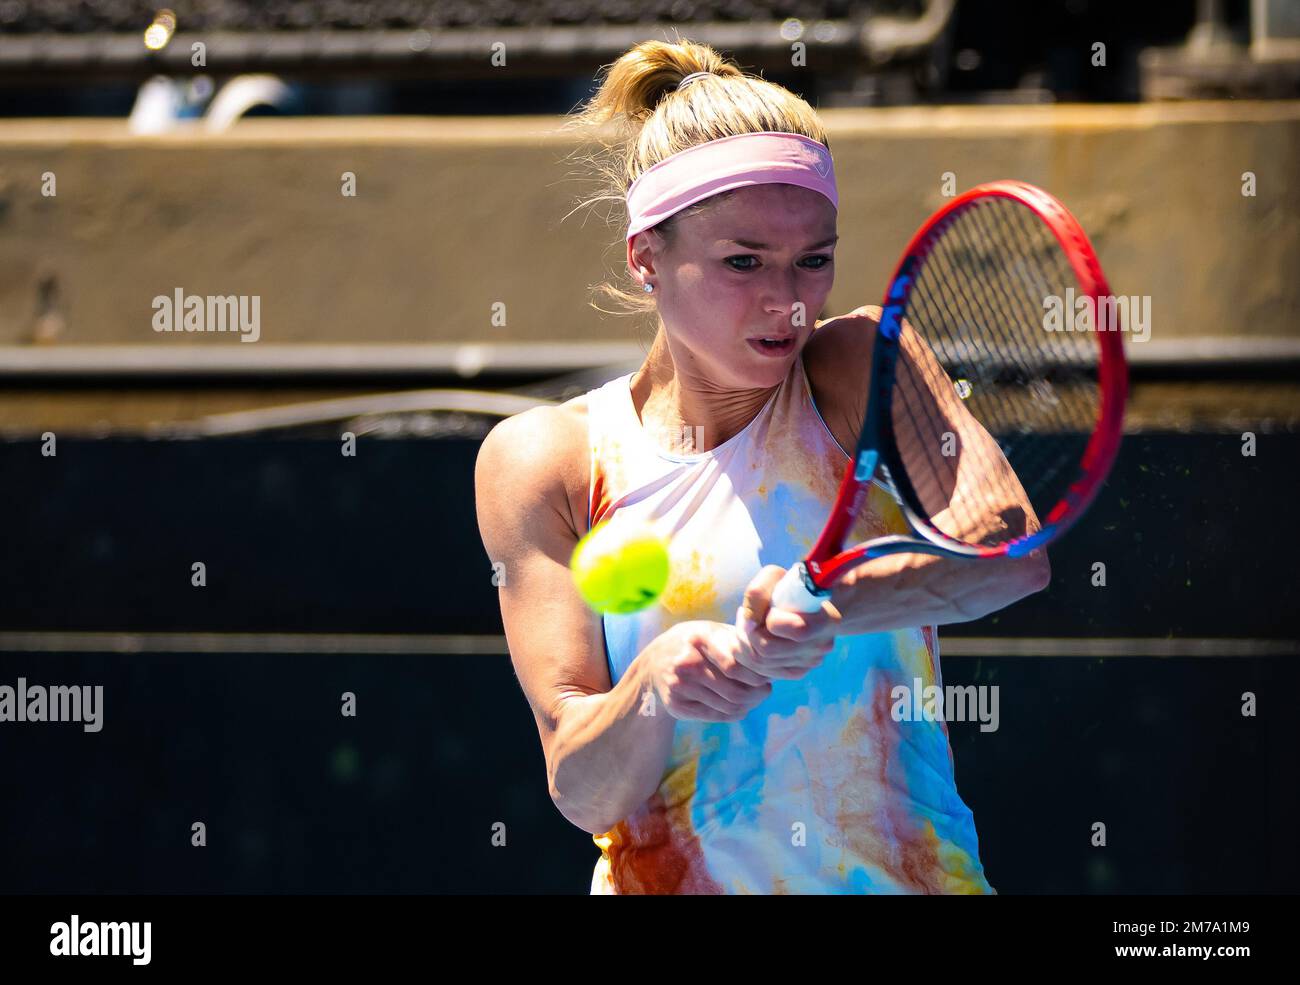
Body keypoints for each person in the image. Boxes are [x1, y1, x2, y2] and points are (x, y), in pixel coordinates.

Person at [474, 39, 1049, 894]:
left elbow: (1011, 553)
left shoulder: (858, 362)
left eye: (813, 258)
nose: (789, 301)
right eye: (744, 261)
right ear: (646, 258)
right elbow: (581, 786)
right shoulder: (544, 460)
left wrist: (831, 600)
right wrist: (653, 685)